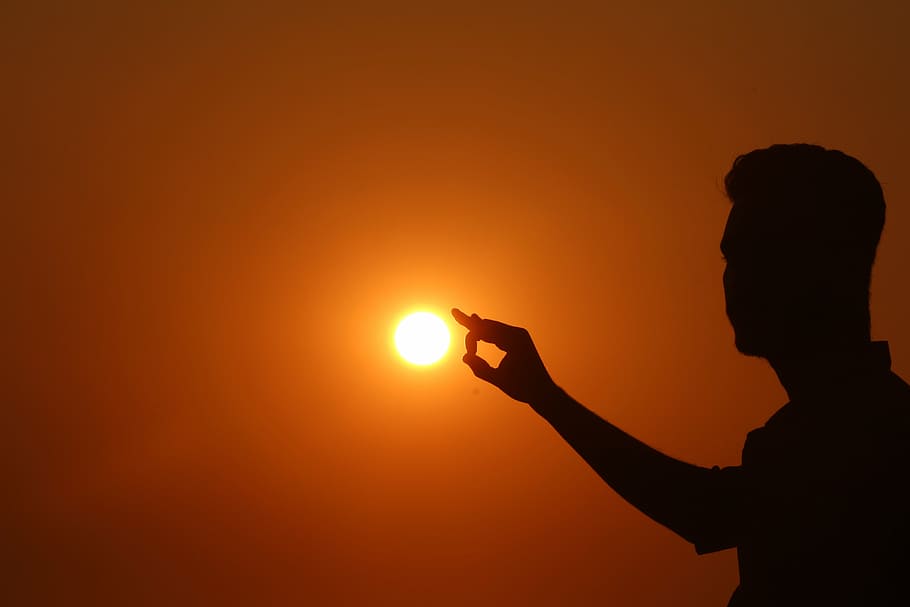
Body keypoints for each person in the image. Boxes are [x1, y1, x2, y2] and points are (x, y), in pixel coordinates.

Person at [453, 144, 910, 606]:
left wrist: (546, 397)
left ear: (825, 266)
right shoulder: (825, 428)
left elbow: (706, 509)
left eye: (760, 254)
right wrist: (543, 394)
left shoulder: (870, 436)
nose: (734, 279)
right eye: (730, 258)